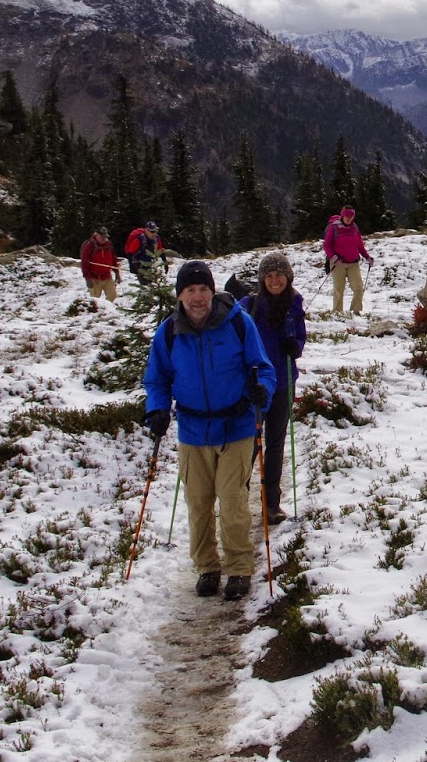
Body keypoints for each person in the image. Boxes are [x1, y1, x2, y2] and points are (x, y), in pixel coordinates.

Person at [142, 260, 275, 600]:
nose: (198, 297)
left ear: (212, 291)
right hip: (192, 430)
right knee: (199, 504)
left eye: (203, 289)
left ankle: (239, 569)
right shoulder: (169, 331)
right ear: (180, 295)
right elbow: (157, 379)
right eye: (190, 290)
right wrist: (156, 409)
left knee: (232, 503)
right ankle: (207, 568)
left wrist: (263, 389)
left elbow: (262, 367)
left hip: (236, 426)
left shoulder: (238, 323)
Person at [242, 251, 306, 524]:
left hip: (283, 382)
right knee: (249, 444)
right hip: (256, 385)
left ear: (288, 277)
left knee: (275, 444)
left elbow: (300, 338)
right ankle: (238, 498)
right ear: (262, 280)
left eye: (279, 275)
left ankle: (272, 503)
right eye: (268, 276)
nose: (274, 280)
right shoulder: (251, 306)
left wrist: (296, 348)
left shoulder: (294, 305)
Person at [322, 205, 374, 314]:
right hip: (338, 263)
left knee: (359, 288)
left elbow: (359, 245)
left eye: (351, 215)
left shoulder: (354, 227)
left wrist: (367, 256)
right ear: (342, 215)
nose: (349, 218)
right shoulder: (334, 227)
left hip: (353, 262)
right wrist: (334, 257)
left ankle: (355, 311)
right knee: (339, 290)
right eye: (346, 215)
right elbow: (327, 245)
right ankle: (337, 313)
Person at [80, 226, 121, 301]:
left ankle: (108, 310)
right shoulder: (89, 246)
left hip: (107, 276)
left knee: (112, 296)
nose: (103, 239)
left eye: (105, 237)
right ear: (96, 235)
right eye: (101, 236)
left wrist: (117, 273)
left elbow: (113, 259)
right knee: (95, 300)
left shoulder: (108, 244)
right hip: (94, 278)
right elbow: (84, 263)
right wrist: (87, 278)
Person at [126, 221, 167, 286]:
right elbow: (130, 253)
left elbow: (160, 250)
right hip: (139, 264)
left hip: (150, 263)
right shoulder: (139, 239)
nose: (154, 234)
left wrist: (165, 263)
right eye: (152, 232)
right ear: (146, 230)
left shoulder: (157, 238)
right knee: (144, 283)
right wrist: (131, 265)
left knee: (151, 281)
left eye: (155, 231)